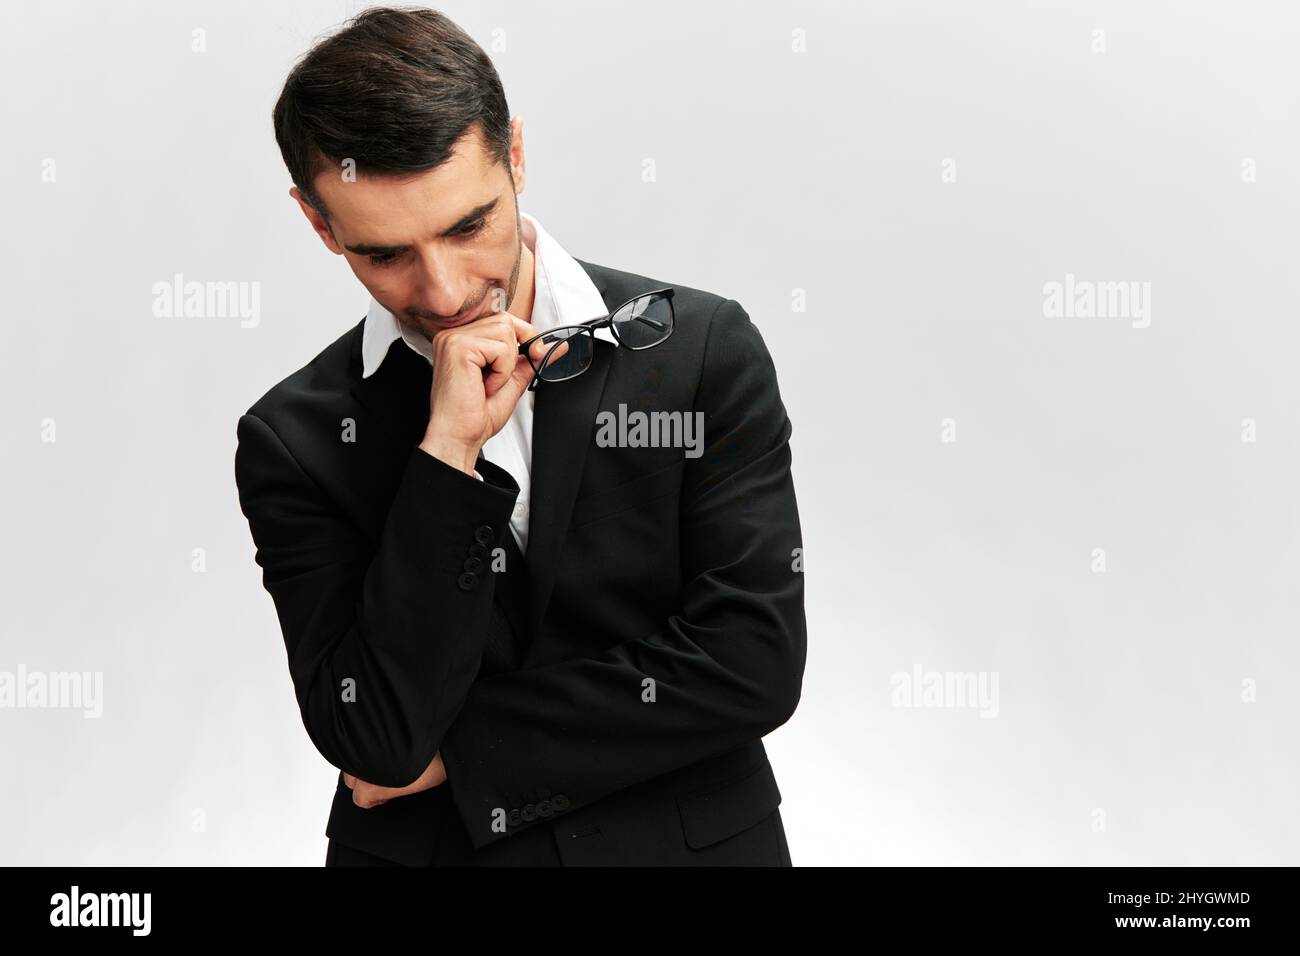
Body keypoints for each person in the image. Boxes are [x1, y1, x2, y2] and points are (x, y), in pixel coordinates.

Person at [234, 6, 805, 866]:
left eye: (469, 226)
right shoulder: (295, 439)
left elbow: (751, 661)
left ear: (518, 157)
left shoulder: (701, 352)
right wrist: (446, 455)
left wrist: (467, 754)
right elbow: (377, 738)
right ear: (320, 226)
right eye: (386, 254)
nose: (444, 288)